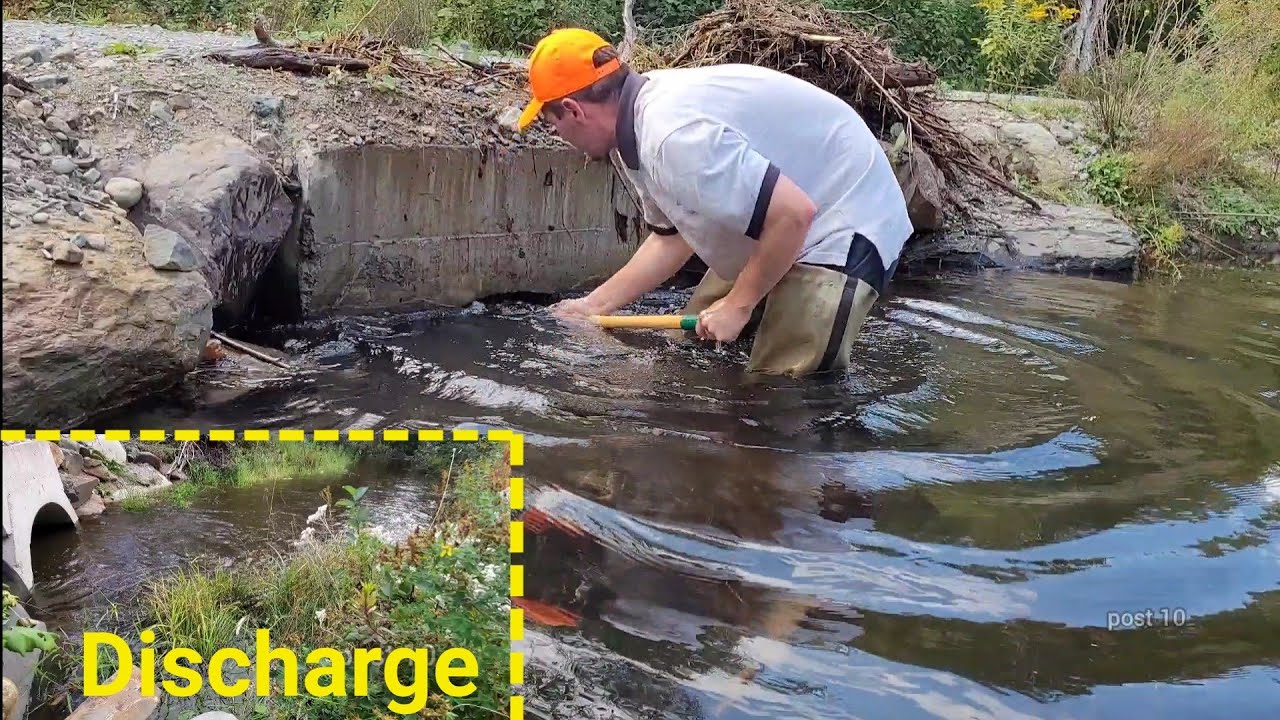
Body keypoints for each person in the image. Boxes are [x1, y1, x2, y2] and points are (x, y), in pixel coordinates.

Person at [518, 28, 913, 376]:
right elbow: (671, 238)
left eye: (553, 125)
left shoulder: (673, 135)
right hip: (780, 216)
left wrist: (739, 305)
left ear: (573, 109)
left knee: (781, 392)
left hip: (844, 215)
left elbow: (795, 214)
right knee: (692, 353)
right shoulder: (636, 135)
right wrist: (593, 306)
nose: (559, 136)